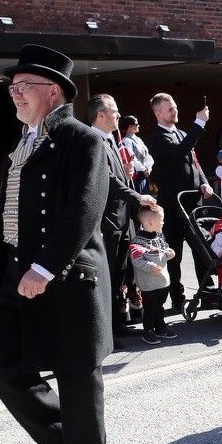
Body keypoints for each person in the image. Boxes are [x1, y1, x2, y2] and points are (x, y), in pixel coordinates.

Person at [0, 45, 113, 444]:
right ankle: (57, 435)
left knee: (76, 371)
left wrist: (45, 267)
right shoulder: (27, 140)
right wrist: (0, 212)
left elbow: (81, 213)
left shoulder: (83, 139)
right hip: (17, 269)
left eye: (22, 87)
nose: (14, 95)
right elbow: (34, 205)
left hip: (64, 275)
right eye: (11, 88)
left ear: (52, 91)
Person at [87, 93, 154, 338]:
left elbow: (119, 176)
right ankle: (106, 331)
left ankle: (116, 324)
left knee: (119, 274)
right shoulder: (92, 140)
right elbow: (109, 181)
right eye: (113, 111)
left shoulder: (111, 140)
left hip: (122, 219)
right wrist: (138, 197)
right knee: (106, 275)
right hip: (108, 220)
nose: (118, 115)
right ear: (100, 115)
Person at [145, 92, 213, 313]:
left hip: (191, 203)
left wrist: (203, 182)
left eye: (174, 106)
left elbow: (194, 161)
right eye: (169, 108)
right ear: (158, 113)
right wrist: (200, 122)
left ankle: (207, 292)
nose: (174, 111)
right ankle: (177, 297)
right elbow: (180, 151)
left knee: (202, 248)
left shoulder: (183, 133)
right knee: (175, 254)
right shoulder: (157, 138)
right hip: (172, 206)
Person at [130, 205, 179, 346]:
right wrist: (150, 267)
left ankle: (160, 327)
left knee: (160, 305)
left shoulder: (159, 236)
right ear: (150, 222)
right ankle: (148, 330)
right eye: (161, 220)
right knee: (150, 307)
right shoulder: (138, 242)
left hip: (162, 280)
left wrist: (170, 253)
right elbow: (137, 260)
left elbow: (165, 248)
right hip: (148, 282)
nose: (163, 223)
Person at [118, 114, 154, 192]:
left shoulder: (138, 139)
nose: (138, 126)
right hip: (137, 175)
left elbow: (147, 155)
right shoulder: (126, 141)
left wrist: (149, 167)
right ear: (130, 126)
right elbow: (132, 158)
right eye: (136, 124)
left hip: (145, 174)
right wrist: (144, 169)